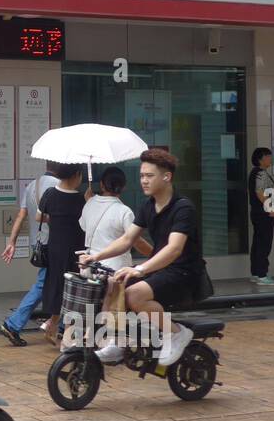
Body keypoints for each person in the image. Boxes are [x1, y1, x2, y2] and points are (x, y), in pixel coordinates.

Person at [79, 148, 208, 367]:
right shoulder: (148, 206)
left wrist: (139, 269)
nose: (144, 181)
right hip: (164, 272)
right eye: (141, 176)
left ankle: (177, 333)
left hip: (185, 274)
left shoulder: (182, 208)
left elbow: (174, 249)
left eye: (149, 176)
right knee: (114, 283)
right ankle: (118, 342)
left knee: (135, 295)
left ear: (166, 177)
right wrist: (96, 256)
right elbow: (127, 239)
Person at [0, 165, 60, 346]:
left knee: (52, 283)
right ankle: (13, 324)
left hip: (37, 243)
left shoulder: (33, 185)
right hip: (52, 243)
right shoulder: (58, 186)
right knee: (44, 285)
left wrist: (12, 242)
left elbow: (21, 215)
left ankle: (58, 324)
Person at [34, 162, 88, 346]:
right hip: (76, 248)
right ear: (76, 175)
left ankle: (53, 322)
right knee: (75, 288)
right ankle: (66, 330)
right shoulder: (81, 199)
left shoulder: (50, 193)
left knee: (57, 283)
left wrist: (56, 219)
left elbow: (38, 217)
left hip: (55, 247)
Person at [80, 167, 154, 272]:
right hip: (116, 269)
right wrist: (156, 255)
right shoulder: (124, 211)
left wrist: (89, 202)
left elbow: (84, 227)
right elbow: (137, 242)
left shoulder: (89, 204)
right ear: (124, 187)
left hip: (91, 266)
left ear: (101, 184)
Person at [247, 147, 274, 286]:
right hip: (263, 214)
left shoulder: (256, 173)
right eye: (268, 156)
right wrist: (271, 207)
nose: (270, 159)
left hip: (258, 213)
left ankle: (256, 273)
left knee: (258, 242)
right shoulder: (260, 174)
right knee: (264, 243)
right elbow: (260, 192)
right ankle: (262, 274)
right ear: (261, 159)